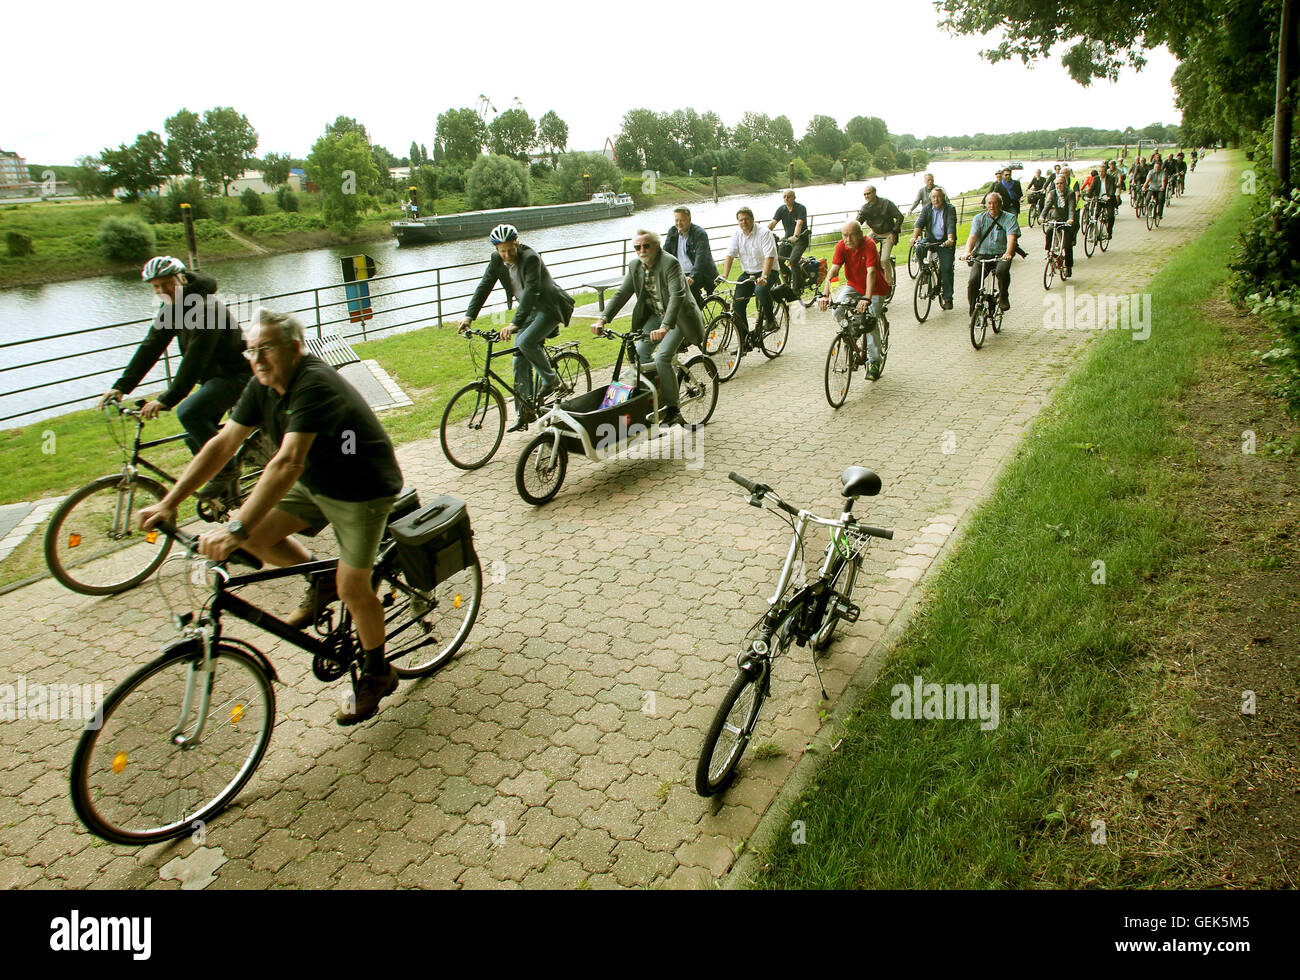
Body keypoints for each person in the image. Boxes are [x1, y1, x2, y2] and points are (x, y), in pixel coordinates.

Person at [138, 309, 406, 726]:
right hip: (316, 481)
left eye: (266, 349)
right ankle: (318, 580)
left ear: (294, 349)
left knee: (352, 586)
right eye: (250, 350)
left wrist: (233, 529)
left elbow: (286, 464)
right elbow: (222, 444)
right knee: (255, 537)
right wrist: (169, 502)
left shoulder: (312, 383)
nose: (256, 359)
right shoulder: (261, 385)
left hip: (361, 486)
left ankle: (377, 672)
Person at [100, 256, 252, 501]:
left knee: (189, 412)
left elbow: (195, 359)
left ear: (181, 278)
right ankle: (228, 495)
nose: (162, 291)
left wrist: (167, 399)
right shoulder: (173, 307)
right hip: (213, 379)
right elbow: (152, 345)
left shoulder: (205, 308)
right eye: (156, 287)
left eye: (167, 284)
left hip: (235, 375)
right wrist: (121, 387)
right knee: (194, 438)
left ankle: (227, 468)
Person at [458, 223, 575, 433]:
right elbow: (484, 286)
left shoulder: (530, 257)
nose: (506, 254)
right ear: (496, 249)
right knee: (518, 360)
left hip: (548, 308)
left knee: (524, 342)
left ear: (517, 243)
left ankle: (551, 380)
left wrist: (514, 324)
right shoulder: (496, 260)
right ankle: (525, 413)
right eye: (501, 250)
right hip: (528, 311)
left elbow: (531, 291)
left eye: (510, 249)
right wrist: (469, 316)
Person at [588, 230, 705, 428]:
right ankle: (655, 393)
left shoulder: (670, 263)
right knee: (640, 355)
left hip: (678, 318)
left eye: (646, 246)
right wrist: (603, 319)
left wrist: (665, 327)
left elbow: (677, 296)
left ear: (656, 246)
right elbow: (622, 293)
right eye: (637, 247)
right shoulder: (635, 265)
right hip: (655, 315)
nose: (641, 250)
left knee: (662, 358)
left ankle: (673, 408)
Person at [817, 221, 891, 378]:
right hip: (854, 286)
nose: (847, 239)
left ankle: (875, 361)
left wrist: (867, 298)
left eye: (851, 235)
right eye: (844, 235)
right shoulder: (841, 246)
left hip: (875, 289)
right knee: (837, 311)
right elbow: (834, 270)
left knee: (868, 322)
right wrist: (826, 294)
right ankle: (852, 333)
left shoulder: (869, 245)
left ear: (860, 235)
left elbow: (871, 272)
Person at [720, 207, 778, 344]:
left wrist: (764, 276)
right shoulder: (737, 235)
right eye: (741, 220)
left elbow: (769, 257)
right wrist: (724, 275)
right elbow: (730, 255)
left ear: (752, 219)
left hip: (768, 271)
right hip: (748, 273)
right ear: (738, 222)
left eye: (746, 219)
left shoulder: (764, 233)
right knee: (738, 304)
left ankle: (770, 319)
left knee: (760, 290)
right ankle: (745, 340)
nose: (744, 222)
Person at [961, 192, 1020, 313]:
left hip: (1001, 254)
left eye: (995, 203)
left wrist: (1008, 253)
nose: (992, 206)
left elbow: (1011, 238)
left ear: (1001, 204)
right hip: (982, 254)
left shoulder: (1009, 218)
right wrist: (967, 252)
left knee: (1001, 271)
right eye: (989, 203)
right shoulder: (979, 218)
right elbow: (972, 237)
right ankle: (973, 311)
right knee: (973, 281)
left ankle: (1003, 295)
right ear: (986, 205)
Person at [908, 187, 957, 309]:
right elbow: (919, 223)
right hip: (931, 238)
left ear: (943, 197)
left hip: (945, 241)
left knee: (946, 269)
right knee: (919, 248)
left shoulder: (950, 209)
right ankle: (924, 271)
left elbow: (951, 224)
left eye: (939, 197)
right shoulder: (927, 209)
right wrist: (914, 238)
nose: (936, 199)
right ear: (930, 198)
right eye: (934, 197)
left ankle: (947, 297)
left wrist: (950, 239)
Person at [662, 206, 718, 311]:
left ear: (689, 219)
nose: (679, 223)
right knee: (666, 292)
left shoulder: (699, 233)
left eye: (682, 220)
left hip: (701, 273)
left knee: (690, 293)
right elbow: (665, 253)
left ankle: (697, 320)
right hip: (681, 272)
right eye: (676, 220)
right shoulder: (673, 232)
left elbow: (701, 258)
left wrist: (693, 276)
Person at [767, 189, 811, 295]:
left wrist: (795, 236)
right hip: (787, 239)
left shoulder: (800, 208)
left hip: (801, 239)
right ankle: (790, 275)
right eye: (784, 196)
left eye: (789, 196)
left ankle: (797, 288)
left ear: (794, 198)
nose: (786, 198)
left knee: (793, 260)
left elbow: (799, 224)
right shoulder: (781, 209)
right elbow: (773, 223)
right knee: (776, 260)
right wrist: (764, 233)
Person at [856, 185, 903, 276]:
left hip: (888, 234)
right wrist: (851, 231)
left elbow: (900, 217)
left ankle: (889, 283)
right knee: (860, 249)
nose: (866, 196)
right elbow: (858, 222)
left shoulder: (886, 203)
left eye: (868, 193)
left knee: (884, 260)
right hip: (875, 233)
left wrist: (894, 232)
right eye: (864, 194)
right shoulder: (864, 208)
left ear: (874, 193)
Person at [1040, 173, 1077, 278]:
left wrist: (1070, 219)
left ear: (1065, 184)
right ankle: (1049, 252)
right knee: (1049, 231)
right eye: (1057, 184)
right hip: (1056, 217)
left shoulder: (1070, 193)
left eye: (1061, 183)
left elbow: (1071, 207)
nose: (1059, 186)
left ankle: (1068, 266)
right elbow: (1047, 205)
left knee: (1067, 244)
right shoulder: (1052, 193)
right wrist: (1042, 216)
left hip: (1067, 219)